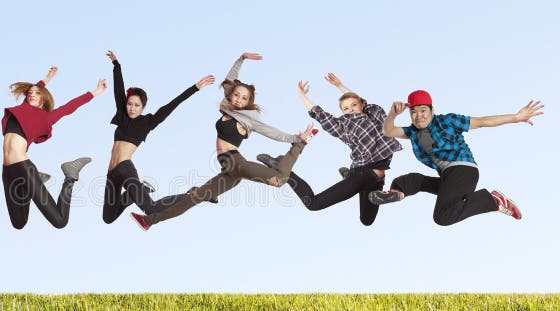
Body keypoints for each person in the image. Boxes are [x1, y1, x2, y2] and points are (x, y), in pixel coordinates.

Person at [130, 53, 317, 231]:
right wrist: (241, 59)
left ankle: (300, 145)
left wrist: (296, 138)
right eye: (236, 95)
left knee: (279, 180)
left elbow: (271, 132)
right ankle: (148, 221)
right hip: (228, 169)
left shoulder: (249, 119)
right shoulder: (227, 107)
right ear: (231, 95)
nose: (239, 99)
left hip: (237, 164)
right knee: (193, 198)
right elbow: (229, 81)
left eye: (244, 98)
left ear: (249, 101)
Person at [369, 90, 543, 225]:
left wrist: (516, 117)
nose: (418, 116)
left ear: (432, 110)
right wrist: (393, 114)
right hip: (448, 177)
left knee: (442, 216)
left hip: (463, 170)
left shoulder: (448, 121)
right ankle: (397, 191)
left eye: (423, 110)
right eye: (413, 112)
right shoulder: (412, 132)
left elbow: (483, 121)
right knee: (416, 180)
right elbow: (388, 131)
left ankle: (492, 201)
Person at [255, 74, 402, 225]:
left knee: (367, 221)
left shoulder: (374, 114)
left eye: (354, 105)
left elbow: (357, 98)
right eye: (346, 108)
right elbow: (321, 115)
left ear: (361, 105)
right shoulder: (344, 126)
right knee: (313, 204)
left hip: (376, 181)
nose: (351, 109)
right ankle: (284, 169)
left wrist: (339, 86)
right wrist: (302, 96)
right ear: (343, 113)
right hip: (362, 174)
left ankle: (349, 176)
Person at [102, 50, 215, 224]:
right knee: (108, 218)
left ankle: (193, 193)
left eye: (137, 105)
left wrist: (195, 88)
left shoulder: (148, 122)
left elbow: (172, 104)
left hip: (125, 169)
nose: (132, 108)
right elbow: (118, 90)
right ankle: (141, 190)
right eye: (130, 104)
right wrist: (116, 65)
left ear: (143, 107)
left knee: (151, 208)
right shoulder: (122, 115)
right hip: (112, 173)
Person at [2, 66, 106, 229]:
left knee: (60, 221)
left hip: (23, 167)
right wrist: (47, 78)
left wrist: (95, 92)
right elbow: (36, 87)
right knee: (19, 223)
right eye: (30, 93)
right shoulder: (22, 109)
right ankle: (34, 183)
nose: (32, 95)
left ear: (43, 99)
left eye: (37, 93)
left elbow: (69, 107)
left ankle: (70, 175)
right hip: (7, 171)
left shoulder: (45, 118)